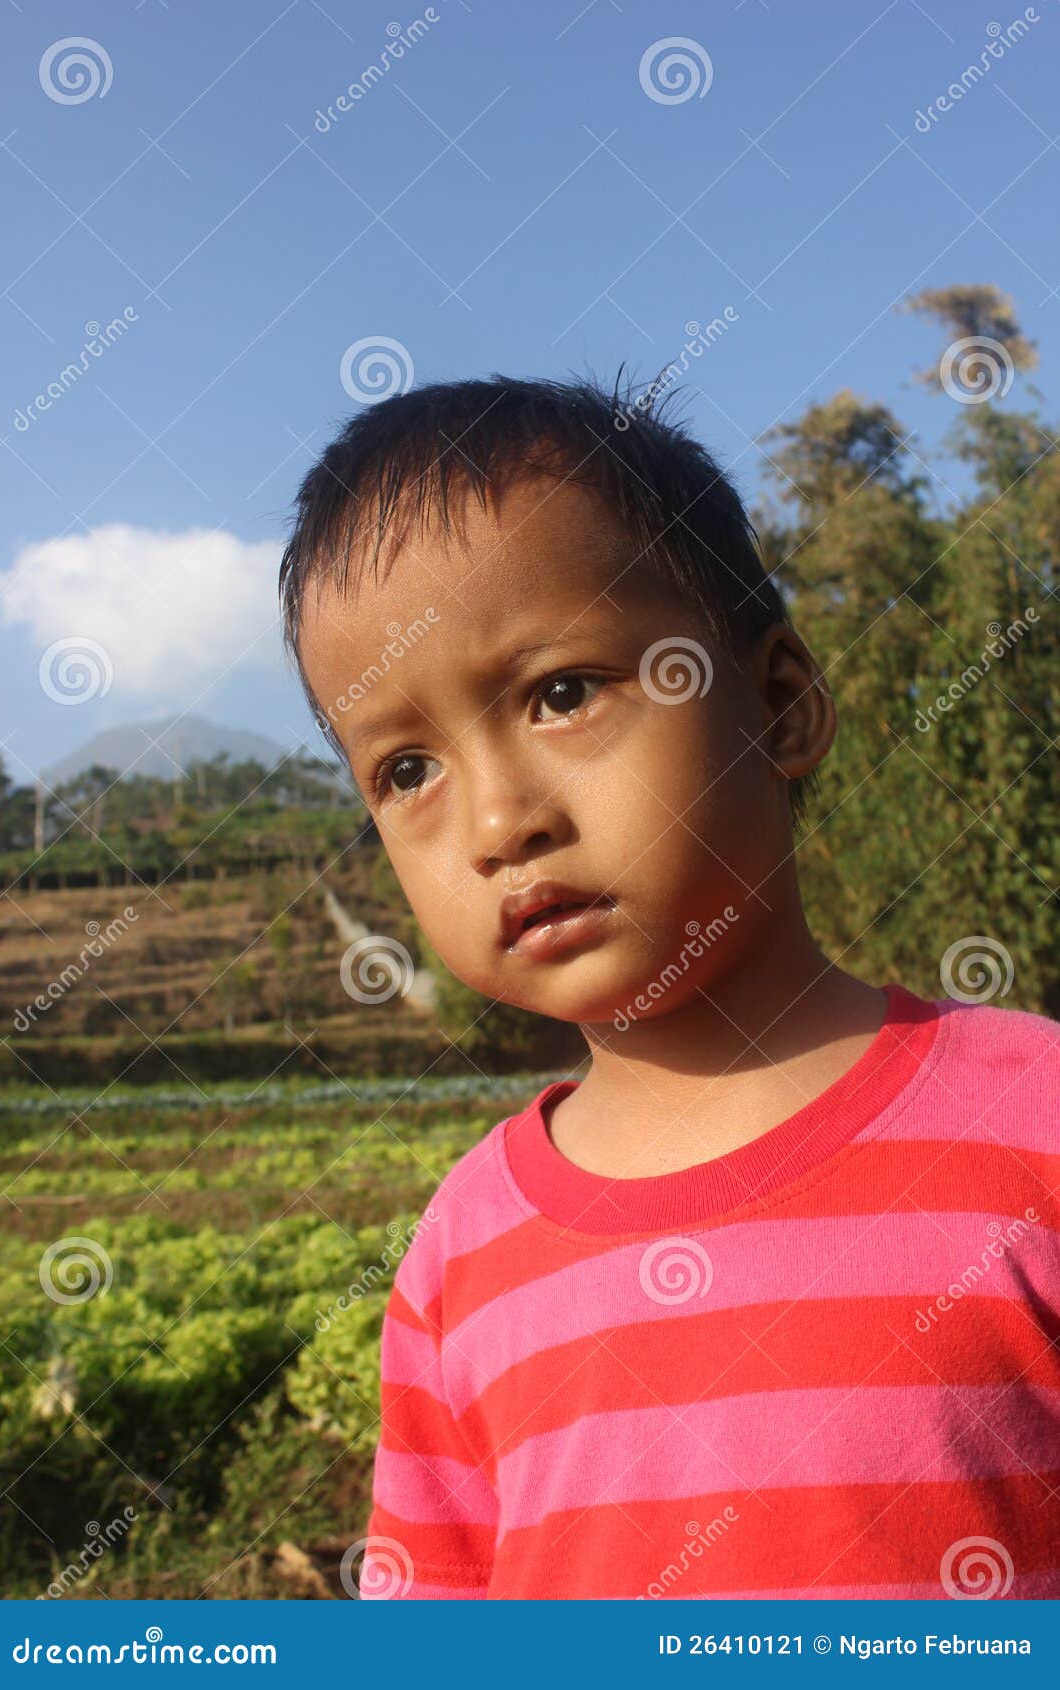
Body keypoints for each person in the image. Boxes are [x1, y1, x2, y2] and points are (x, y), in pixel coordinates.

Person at [279, 375, 1060, 1600]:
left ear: (781, 704)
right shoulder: (459, 1255)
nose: (497, 821)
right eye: (407, 767)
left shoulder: (1035, 1121)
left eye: (563, 692)